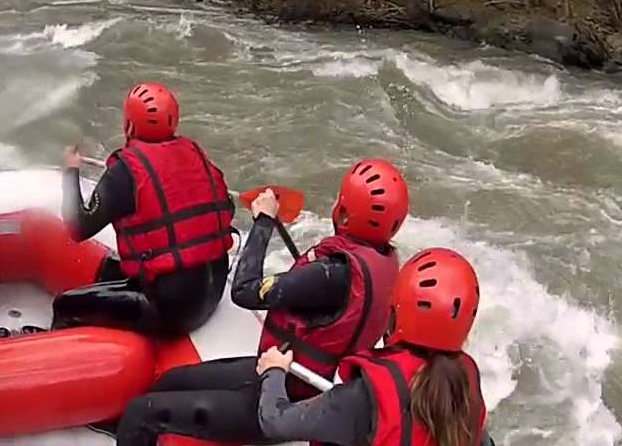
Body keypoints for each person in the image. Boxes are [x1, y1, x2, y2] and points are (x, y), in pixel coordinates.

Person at [113, 159, 408, 445]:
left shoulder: (331, 275)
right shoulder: (385, 263)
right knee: (167, 383)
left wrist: (264, 220)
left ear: (343, 212)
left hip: (281, 397)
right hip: (289, 375)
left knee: (140, 413)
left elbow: (244, 291)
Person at [254, 247, 490, 446]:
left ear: (397, 310)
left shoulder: (367, 396)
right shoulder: (467, 382)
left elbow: (275, 422)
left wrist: (273, 371)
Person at [54, 82, 236, 337]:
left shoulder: (125, 172)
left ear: (129, 125)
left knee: (65, 305)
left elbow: (78, 227)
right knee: (108, 268)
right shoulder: (196, 155)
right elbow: (226, 209)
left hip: (172, 311)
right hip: (212, 291)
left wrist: (71, 171)